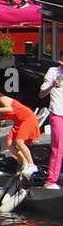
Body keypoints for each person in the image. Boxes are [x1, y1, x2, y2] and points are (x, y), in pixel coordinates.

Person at [0, 93, 41, 176]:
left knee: (19, 142)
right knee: (9, 144)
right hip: (18, 122)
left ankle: (32, 164)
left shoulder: (2, 98)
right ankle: (24, 161)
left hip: (26, 118)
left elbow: (10, 109)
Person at [40, 52, 63, 189]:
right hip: (57, 113)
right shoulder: (53, 72)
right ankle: (51, 180)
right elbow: (41, 94)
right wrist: (52, 86)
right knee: (58, 147)